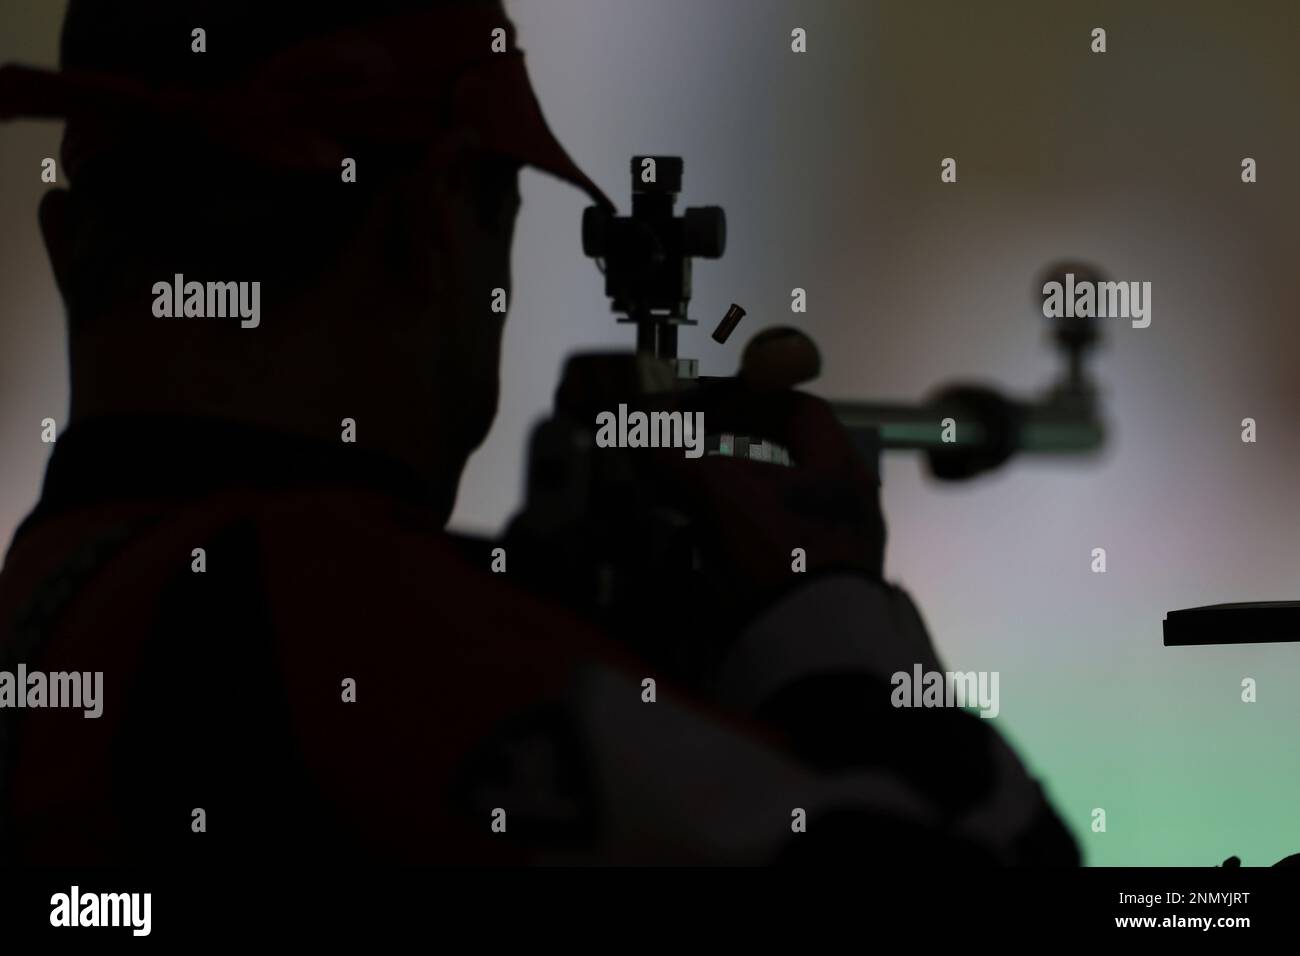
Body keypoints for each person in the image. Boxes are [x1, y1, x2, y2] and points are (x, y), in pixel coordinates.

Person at [0, 0, 1077, 865]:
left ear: (68, 243)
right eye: (501, 212)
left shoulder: (64, 600)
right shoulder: (340, 614)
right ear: (437, 223)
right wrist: (823, 607)